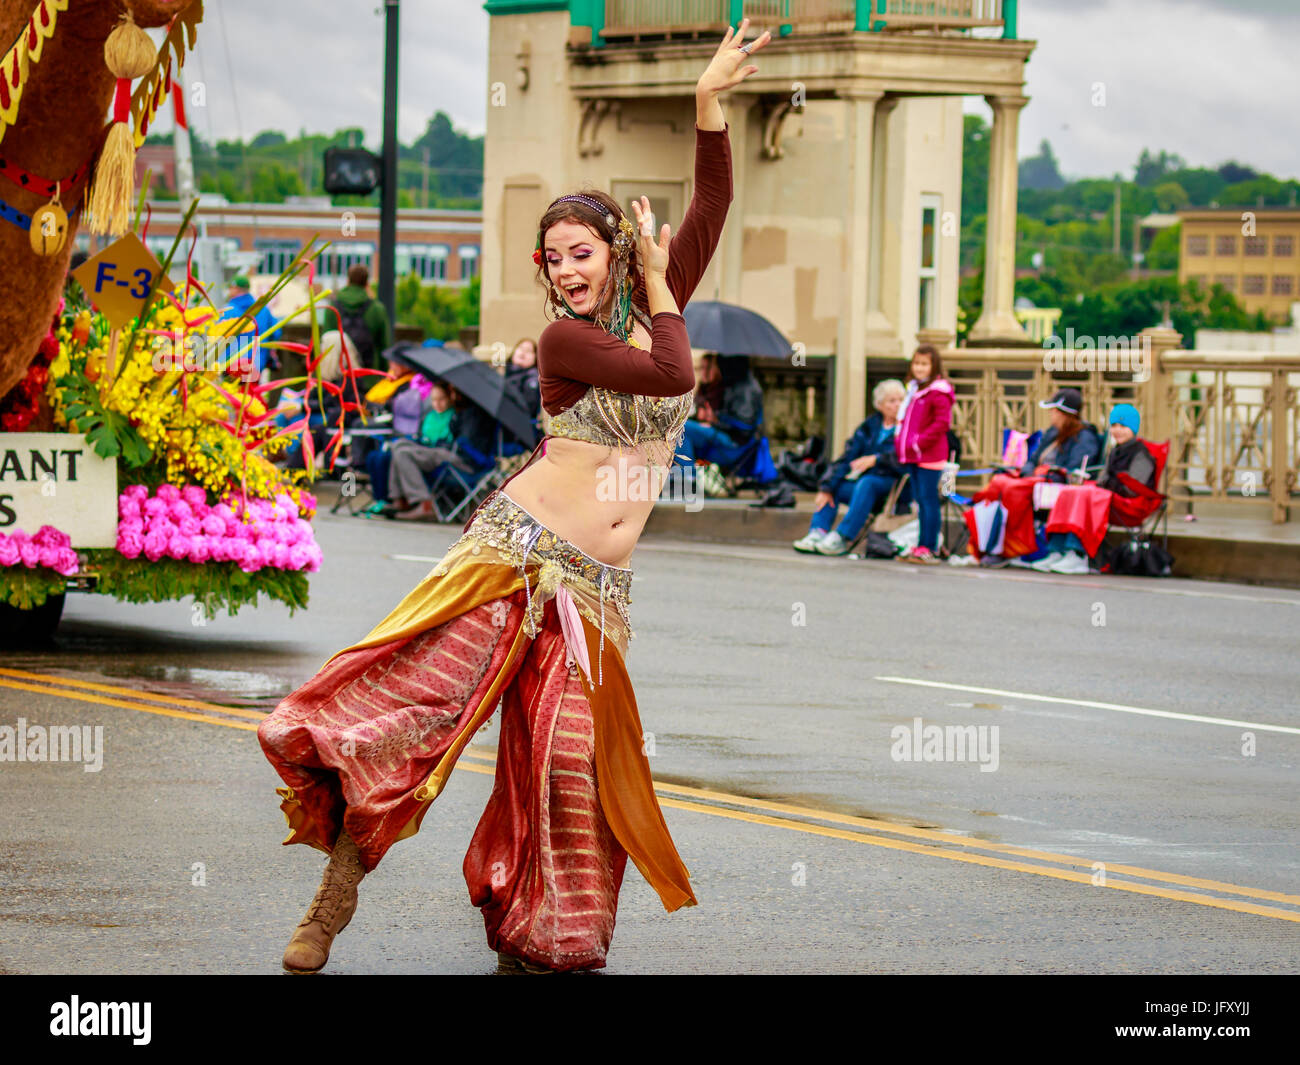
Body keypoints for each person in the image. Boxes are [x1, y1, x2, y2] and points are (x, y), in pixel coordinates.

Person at [256, 21, 767, 975]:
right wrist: (661, 286)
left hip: (595, 595)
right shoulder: (571, 340)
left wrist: (708, 102)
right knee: (417, 722)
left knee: (570, 767)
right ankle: (329, 905)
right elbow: (668, 370)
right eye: (552, 259)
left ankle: (542, 942)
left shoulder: (656, 292)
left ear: (614, 249)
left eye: (580, 252)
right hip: (517, 554)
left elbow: (716, 198)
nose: (566, 271)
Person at [971, 387, 1104, 567]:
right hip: (1036, 479)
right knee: (998, 483)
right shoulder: (1052, 433)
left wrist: (1043, 472)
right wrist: (1028, 471)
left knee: (1013, 490)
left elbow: (1072, 470)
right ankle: (986, 545)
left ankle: (1011, 549)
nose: (1051, 415)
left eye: (1054, 411)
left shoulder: (1084, 437)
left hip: (1055, 483)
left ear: (1064, 413)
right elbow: (1032, 460)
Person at [1035, 403, 1157, 574]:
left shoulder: (1141, 454)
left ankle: (1077, 552)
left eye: (1123, 426)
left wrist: (1106, 485)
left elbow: (1133, 487)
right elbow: (1104, 479)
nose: (1118, 430)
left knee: (1084, 495)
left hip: (1129, 503)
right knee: (1071, 491)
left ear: (1133, 428)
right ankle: (1058, 549)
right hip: (1110, 495)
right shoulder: (1116, 451)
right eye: (1114, 426)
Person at [792, 378, 908, 555]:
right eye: (892, 401)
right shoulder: (870, 426)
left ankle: (842, 537)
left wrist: (876, 459)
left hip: (893, 486)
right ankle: (817, 532)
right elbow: (847, 457)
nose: (897, 405)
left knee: (867, 482)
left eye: (901, 400)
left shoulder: (907, 427)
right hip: (864, 485)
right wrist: (826, 486)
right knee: (835, 488)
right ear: (880, 405)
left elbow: (904, 458)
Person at [388, 385, 499, 521]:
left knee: (403, 453)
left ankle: (425, 505)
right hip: (448, 451)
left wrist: (449, 436)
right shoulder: (461, 411)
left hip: (464, 460)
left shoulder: (474, 413)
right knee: (398, 446)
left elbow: (464, 443)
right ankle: (399, 500)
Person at [893, 345, 953, 564]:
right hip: (913, 455)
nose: (919, 368)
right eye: (916, 363)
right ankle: (921, 545)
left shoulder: (938, 392)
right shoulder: (915, 390)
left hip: (929, 455)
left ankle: (929, 547)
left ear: (934, 366)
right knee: (920, 501)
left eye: (924, 364)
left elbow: (941, 423)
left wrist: (918, 442)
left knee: (929, 501)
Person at [673, 353, 763, 472]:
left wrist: (715, 421)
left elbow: (743, 427)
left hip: (734, 445)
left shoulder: (746, 389)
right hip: (727, 437)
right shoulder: (737, 384)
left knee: (681, 429)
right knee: (682, 432)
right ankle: (683, 479)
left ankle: (687, 479)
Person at [331, 264, 391, 373]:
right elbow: (384, 345)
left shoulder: (333, 306)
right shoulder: (377, 309)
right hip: (368, 375)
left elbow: (326, 340)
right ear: (367, 283)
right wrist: (384, 374)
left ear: (348, 281)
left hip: (339, 375)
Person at [218, 275, 277, 381]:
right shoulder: (263, 310)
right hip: (256, 364)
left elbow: (216, 336)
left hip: (230, 364)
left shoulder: (227, 311)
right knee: (251, 395)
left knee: (229, 396)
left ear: (235, 289)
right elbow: (276, 332)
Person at [504, 337, 541, 421]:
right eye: (520, 348)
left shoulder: (533, 380)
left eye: (528, 351)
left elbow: (529, 407)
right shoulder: (505, 372)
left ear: (535, 358)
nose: (523, 353)